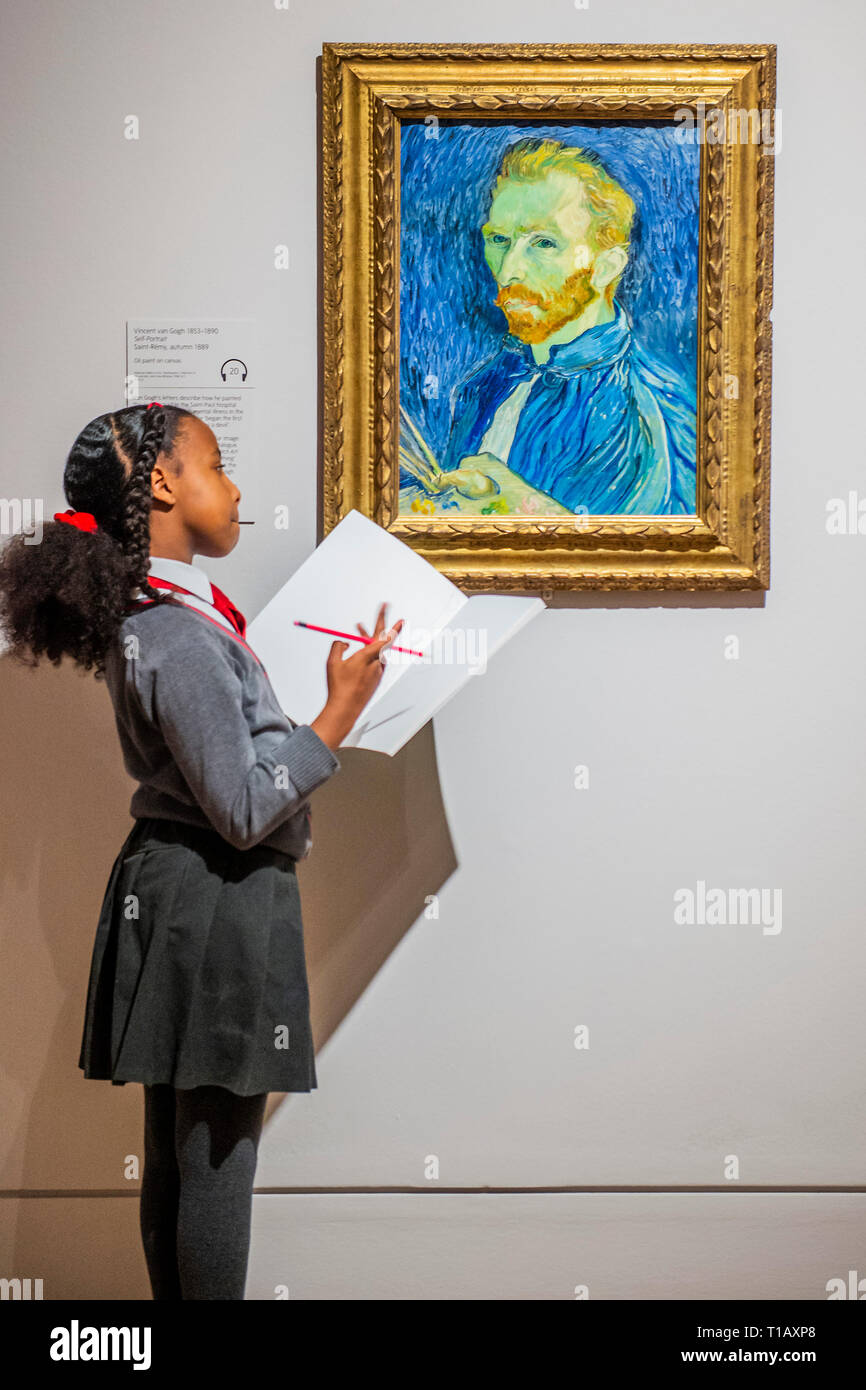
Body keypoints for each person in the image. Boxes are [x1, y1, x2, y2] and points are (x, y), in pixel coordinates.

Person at [0, 401, 403, 1300]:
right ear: (162, 483)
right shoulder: (176, 631)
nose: (234, 488)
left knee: (183, 1158)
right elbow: (242, 805)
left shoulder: (173, 616)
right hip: (215, 899)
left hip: (186, 894)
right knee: (215, 1160)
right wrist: (336, 713)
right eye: (217, 465)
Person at [435, 137, 697, 516]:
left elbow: (645, 567)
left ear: (605, 267)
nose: (508, 270)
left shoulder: (648, 418)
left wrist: (523, 509)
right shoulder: (484, 386)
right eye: (499, 239)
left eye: (543, 243)